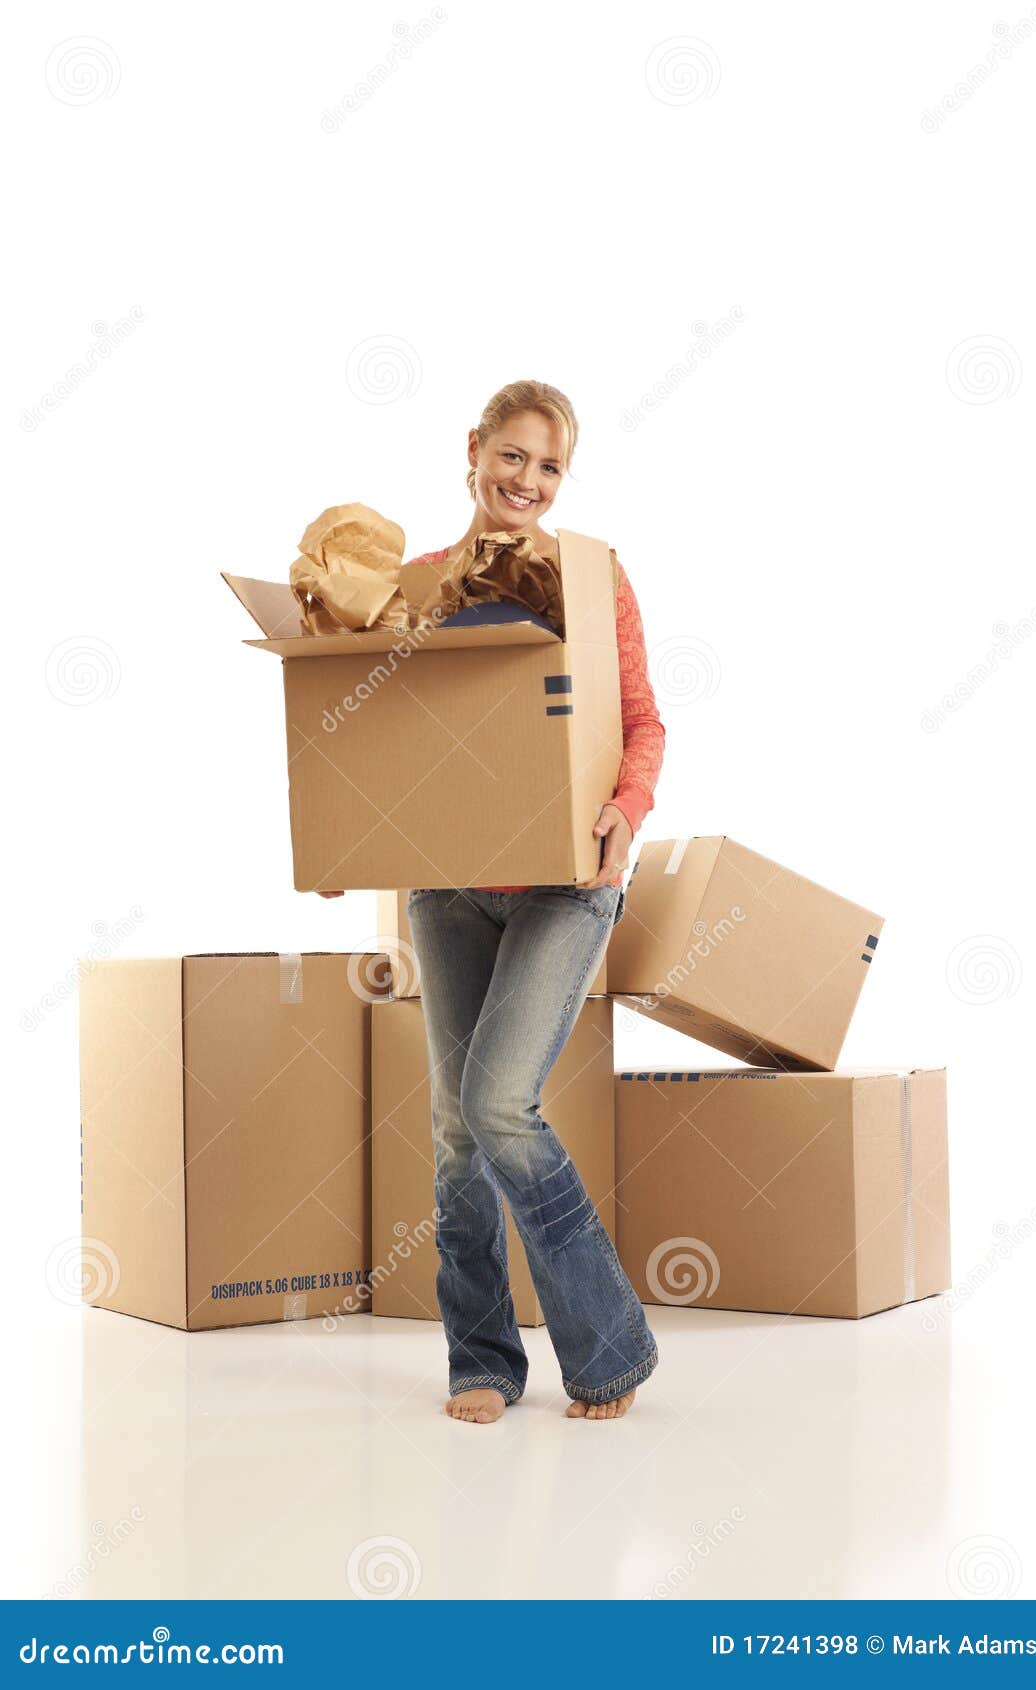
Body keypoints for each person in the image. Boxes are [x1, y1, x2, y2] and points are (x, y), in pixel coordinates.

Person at [325, 380, 666, 1424]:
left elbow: (641, 721)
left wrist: (626, 806)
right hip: (450, 887)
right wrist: (345, 832)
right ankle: (479, 1361)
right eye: (511, 456)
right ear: (472, 451)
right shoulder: (418, 584)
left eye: (549, 466)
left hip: (567, 885)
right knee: (456, 1131)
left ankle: (608, 1347)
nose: (526, 480)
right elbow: (380, 737)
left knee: (495, 1104)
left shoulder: (592, 579)